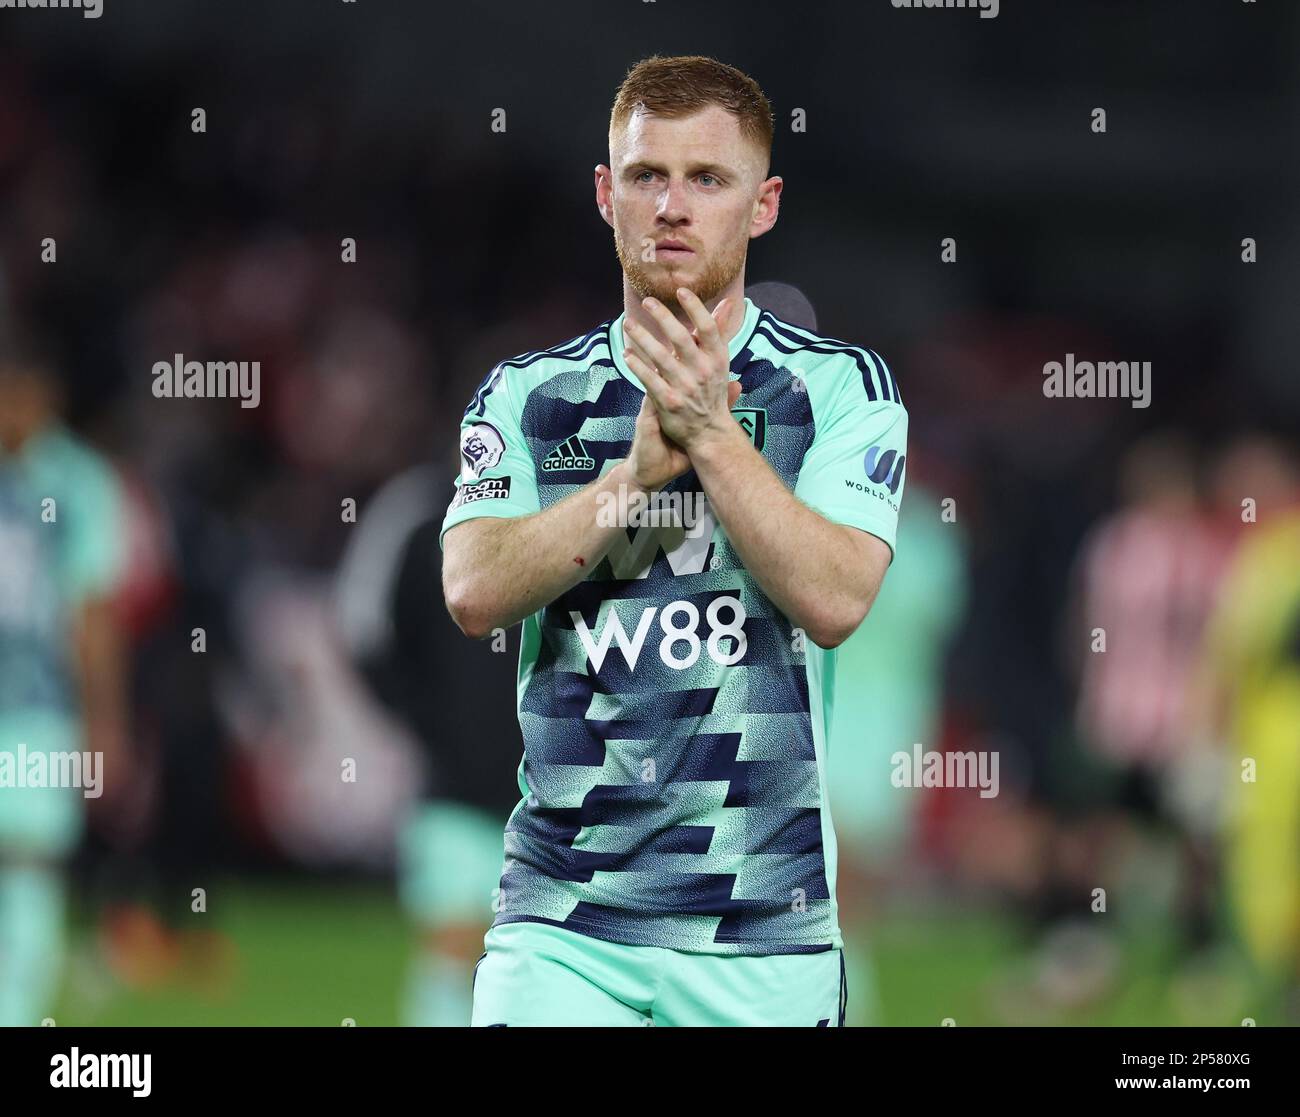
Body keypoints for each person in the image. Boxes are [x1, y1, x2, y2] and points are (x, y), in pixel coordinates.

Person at [441, 55, 908, 1026]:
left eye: (708, 178)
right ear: (606, 194)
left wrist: (708, 435)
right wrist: (628, 482)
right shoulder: (530, 395)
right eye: (647, 175)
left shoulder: (835, 393)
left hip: (763, 929)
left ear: (763, 203)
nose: (673, 206)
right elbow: (474, 589)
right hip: (561, 923)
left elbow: (834, 600)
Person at [0, 337, 130, 1025]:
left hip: (40, 710)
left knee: (30, 864)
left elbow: (93, 615)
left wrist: (104, 722)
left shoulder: (77, 484)